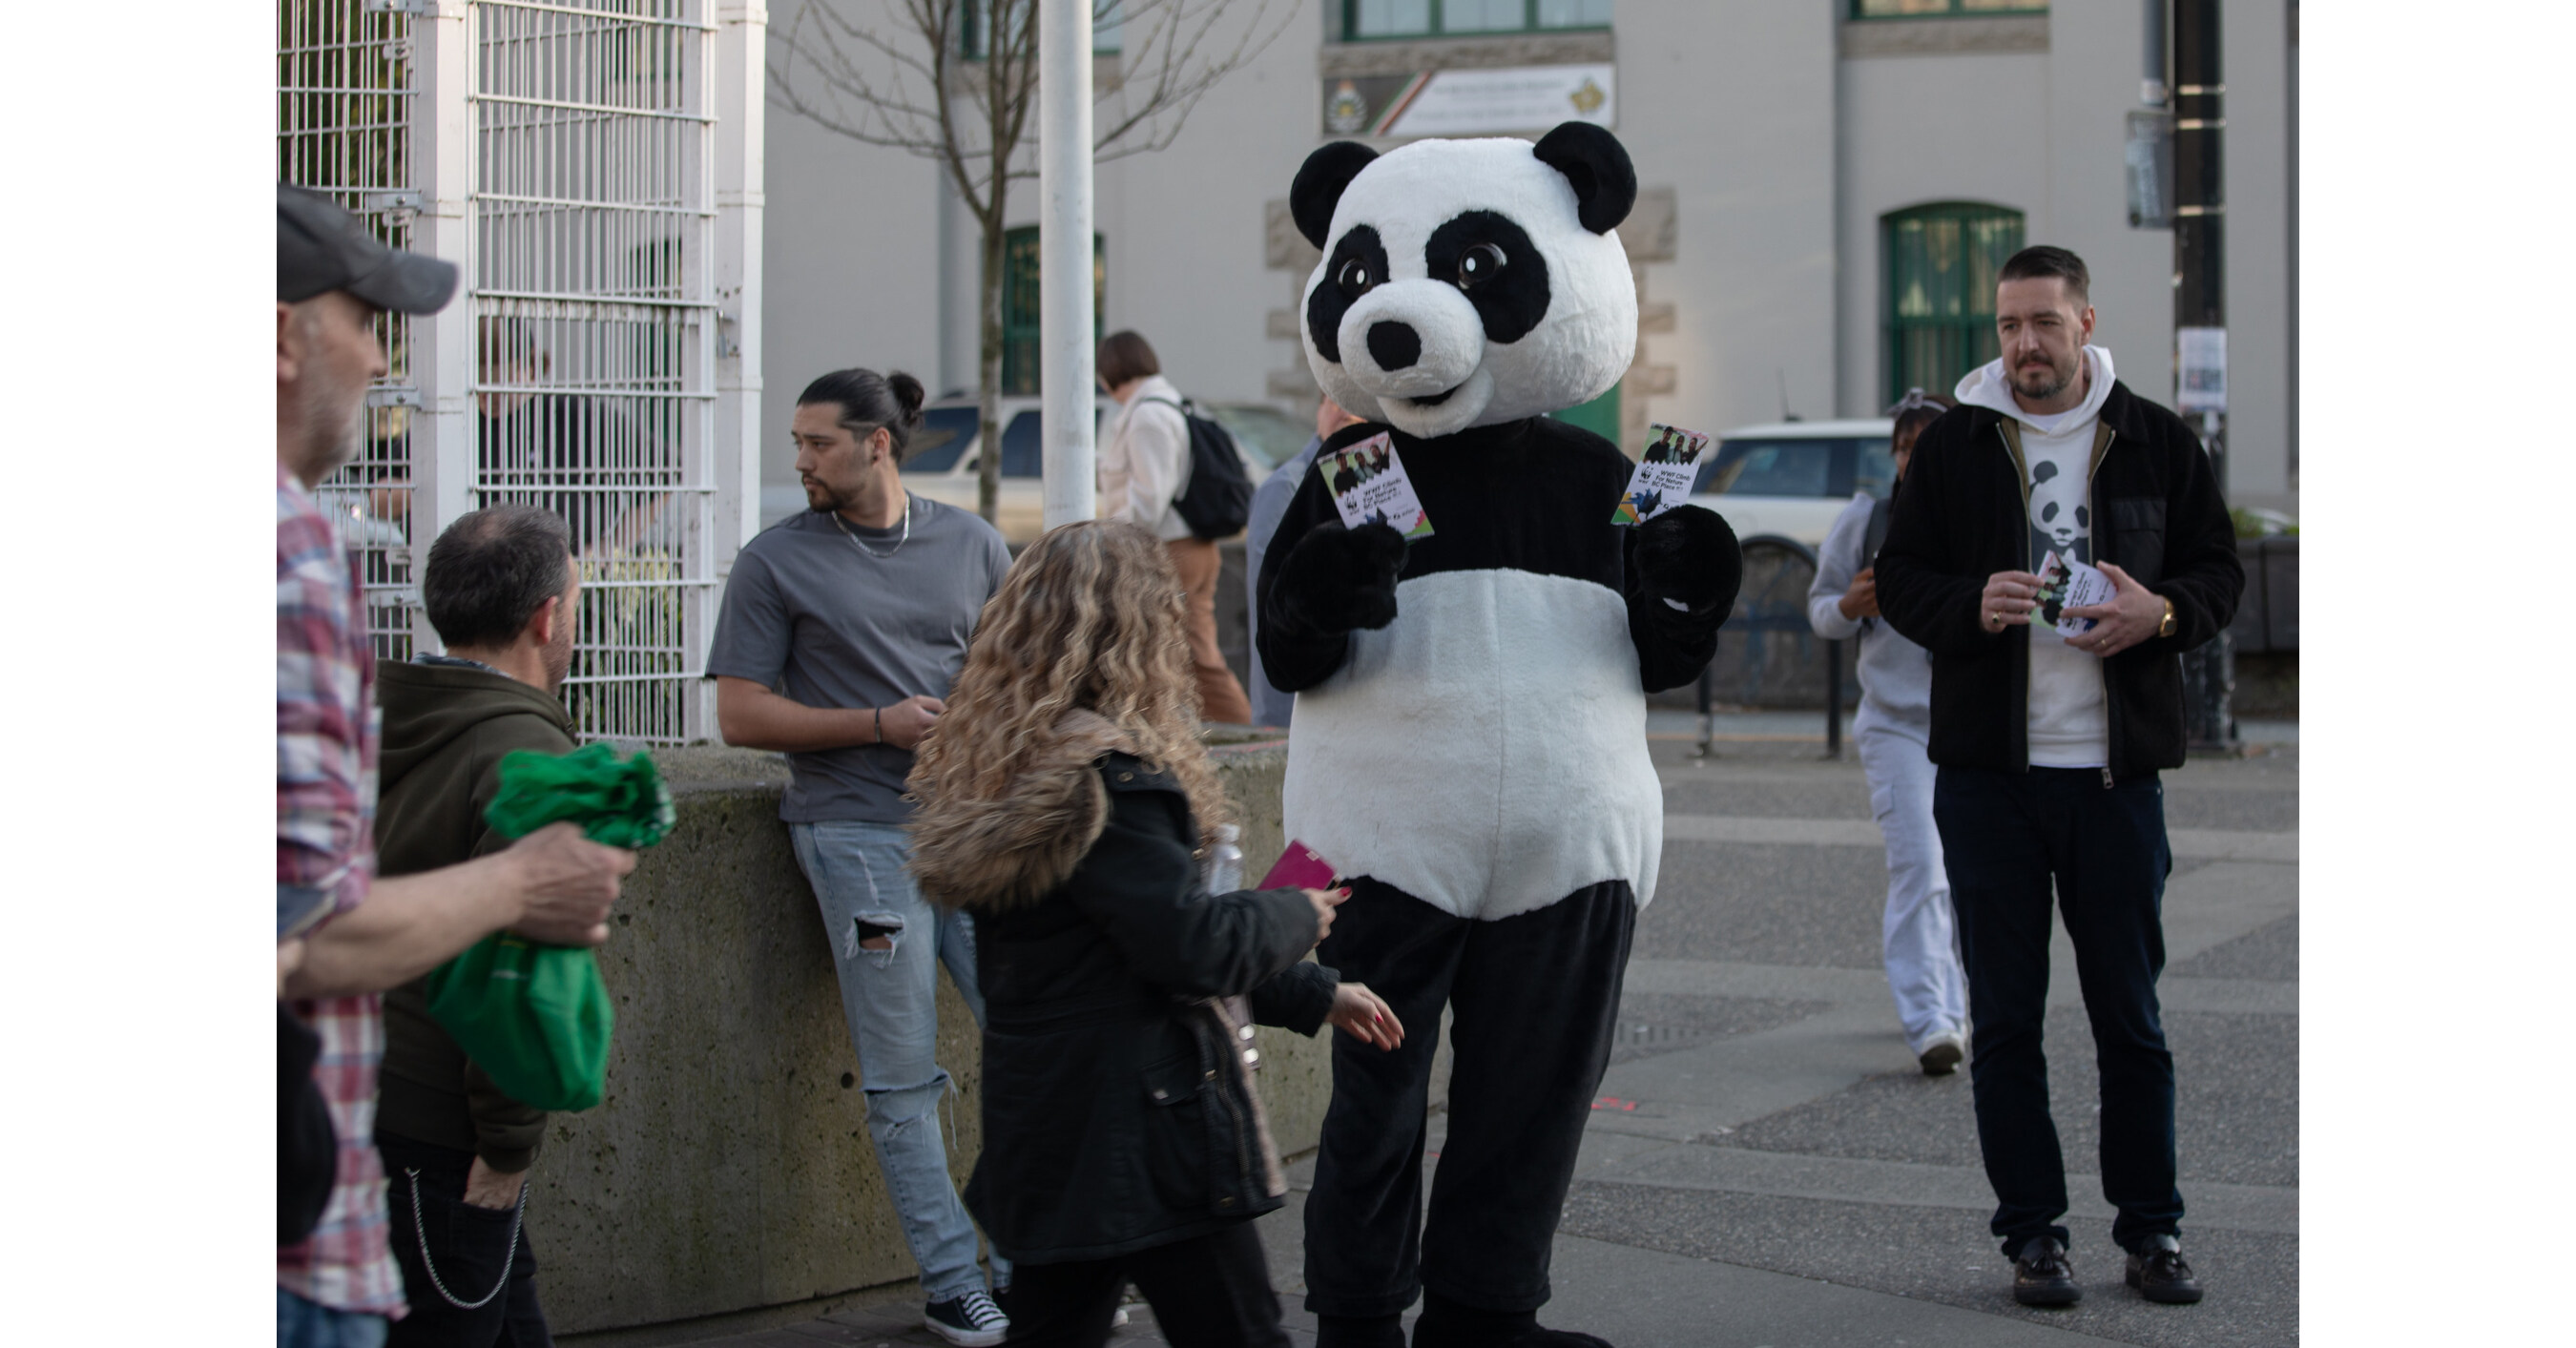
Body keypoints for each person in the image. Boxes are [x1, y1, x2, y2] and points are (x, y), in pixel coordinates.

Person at [278, 182, 636, 1348]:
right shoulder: (292, 553)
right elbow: (311, 932)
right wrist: (528, 886)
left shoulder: (390, 697)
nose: (383, 363)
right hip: (377, 1170)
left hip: (346, 1137)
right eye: (366, 323)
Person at [904, 521, 1404, 1348]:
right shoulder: (1111, 785)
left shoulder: (1015, 765)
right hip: (1148, 1125)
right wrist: (1296, 914)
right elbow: (1187, 948)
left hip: (1051, 1124)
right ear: (1139, 629)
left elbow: (1123, 942)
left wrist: (1316, 990)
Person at [1874, 245, 2243, 1311]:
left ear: (2086, 322)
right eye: (2008, 326)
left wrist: (2157, 614)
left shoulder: (2156, 438)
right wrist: (1965, 610)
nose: (2025, 344)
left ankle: (2153, 1231)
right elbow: (1902, 578)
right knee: (2007, 1021)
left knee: (2130, 1017)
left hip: (2115, 779)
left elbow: (2215, 571)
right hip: (1989, 780)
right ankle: (2032, 1236)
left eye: (2044, 322)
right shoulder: (1952, 447)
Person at [707, 367, 1016, 1347]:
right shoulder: (774, 562)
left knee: (1031, 1042)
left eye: (816, 443)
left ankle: (1027, 1260)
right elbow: (738, 715)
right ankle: (948, 1280)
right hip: (854, 840)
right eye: (795, 443)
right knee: (901, 1074)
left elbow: (1014, 679)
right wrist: (877, 723)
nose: (799, 460)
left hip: (969, 832)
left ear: (877, 443)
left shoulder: (971, 542)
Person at [371, 505, 590, 1347]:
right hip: (447, 1138)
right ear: (547, 617)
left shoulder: (375, 716)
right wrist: (505, 1147)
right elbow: (522, 967)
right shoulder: (528, 757)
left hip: (352, 1095)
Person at [1805, 388, 1970, 1075]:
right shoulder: (1867, 520)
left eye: (1926, 446)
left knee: (1967, 877)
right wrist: (1850, 603)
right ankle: (1929, 1018)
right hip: (1896, 726)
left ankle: (1956, 1003)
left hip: (1971, 729)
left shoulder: (1980, 522)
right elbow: (1820, 612)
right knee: (1921, 868)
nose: (1912, 459)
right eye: (1904, 447)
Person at [1094, 330, 1254, 725]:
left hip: (1171, 550)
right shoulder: (1168, 405)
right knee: (1194, 654)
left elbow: (1148, 502)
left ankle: (1248, 734)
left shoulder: (1147, 416)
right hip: (1191, 547)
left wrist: (1102, 535)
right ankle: (1239, 732)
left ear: (1110, 372)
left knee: (1170, 656)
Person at [1242, 393, 1365, 728]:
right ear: (1320, 410)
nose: (1345, 409)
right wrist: (1276, 721)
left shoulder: (1374, 478)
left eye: (1357, 398)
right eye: (1333, 398)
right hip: (1298, 707)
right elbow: (1268, 608)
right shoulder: (1287, 487)